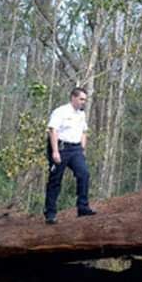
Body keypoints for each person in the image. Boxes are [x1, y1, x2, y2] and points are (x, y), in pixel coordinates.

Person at [43, 87, 96, 224]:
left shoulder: (81, 114)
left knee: (84, 174)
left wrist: (82, 149)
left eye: (85, 100)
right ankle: (50, 213)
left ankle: (82, 207)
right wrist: (55, 151)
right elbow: (52, 131)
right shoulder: (60, 112)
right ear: (73, 97)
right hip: (60, 147)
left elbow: (84, 131)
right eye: (81, 99)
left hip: (76, 149)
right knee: (55, 180)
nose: (83, 102)